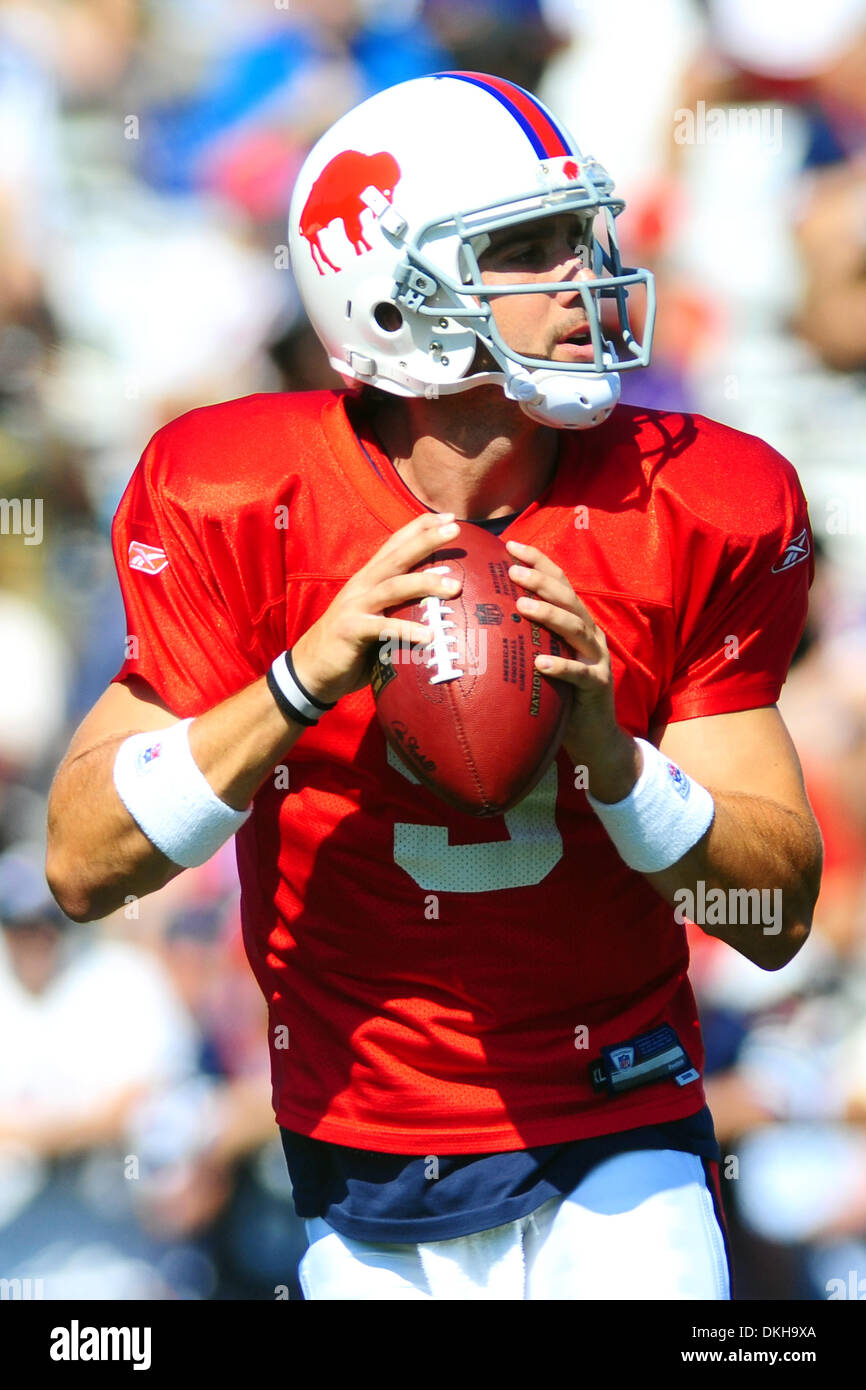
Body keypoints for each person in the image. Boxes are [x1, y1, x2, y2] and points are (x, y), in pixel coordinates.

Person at [46, 71, 823, 1301]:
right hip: (357, 1140)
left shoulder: (698, 500)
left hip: (620, 1120)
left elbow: (769, 918)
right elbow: (85, 867)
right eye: (524, 250)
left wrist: (616, 764)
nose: (580, 281)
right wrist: (296, 683)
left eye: (578, 238)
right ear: (387, 293)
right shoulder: (239, 494)